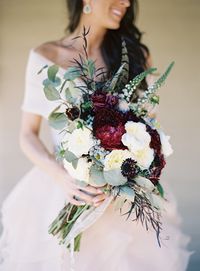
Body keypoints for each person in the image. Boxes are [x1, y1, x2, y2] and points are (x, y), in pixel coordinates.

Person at [0, 0, 191, 270]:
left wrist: (131, 168)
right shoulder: (46, 56)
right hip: (65, 190)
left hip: (123, 199)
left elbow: (148, 130)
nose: (125, 3)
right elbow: (27, 136)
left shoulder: (136, 57)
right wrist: (63, 178)